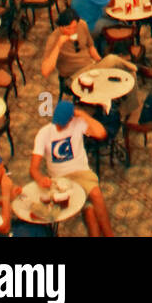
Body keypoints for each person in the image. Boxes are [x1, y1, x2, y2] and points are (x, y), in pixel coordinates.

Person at [30, 100, 113, 237]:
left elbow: (101, 134)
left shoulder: (78, 123)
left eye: (63, 123)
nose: (59, 126)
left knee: (96, 194)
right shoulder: (43, 133)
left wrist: (82, 115)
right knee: (90, 212)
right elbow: (33, 168)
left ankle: (109, 234)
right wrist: (40, 179)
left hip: (82, 173)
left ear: (71, 119)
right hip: (60, 179)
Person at [41, 8, 139, 87]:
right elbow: (45, 71)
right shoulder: (54, 39)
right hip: (73, 77)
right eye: (68, 29)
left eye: (74, 27)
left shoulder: (82, 25)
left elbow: (91, 47)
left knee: (129, 76)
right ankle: (136, 67)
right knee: (112, 59)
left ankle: (126, 110)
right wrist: (59, 45)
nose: (72, 31)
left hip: (91, 67)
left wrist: (100, 62)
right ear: (60, 26)